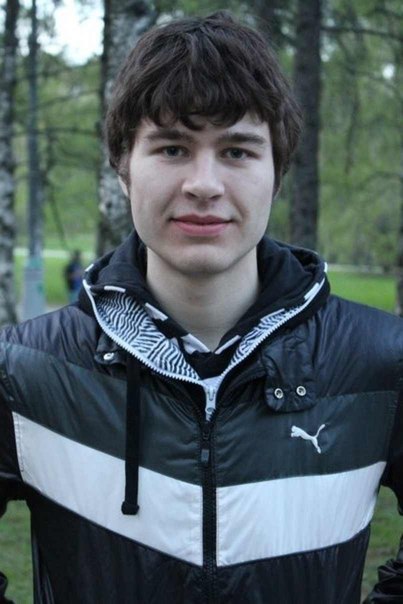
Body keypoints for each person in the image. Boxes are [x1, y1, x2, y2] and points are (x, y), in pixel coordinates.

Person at [0, 11, 402, 604]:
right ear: (123, 167)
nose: (204, 184)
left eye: (237, 151)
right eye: (172, 148)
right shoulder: (25, 368)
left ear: (277, 172)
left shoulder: (382, 361)